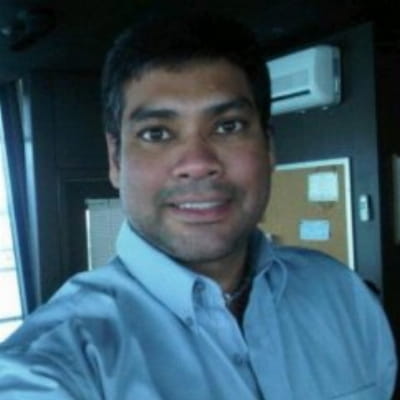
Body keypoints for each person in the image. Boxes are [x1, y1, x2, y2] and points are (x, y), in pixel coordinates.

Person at [0, 12, 397, 400]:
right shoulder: (57, 361)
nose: (197, 163)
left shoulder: (343, 295)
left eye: (228, 126)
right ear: (115, 160)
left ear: (269, 147)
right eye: (157, 133)